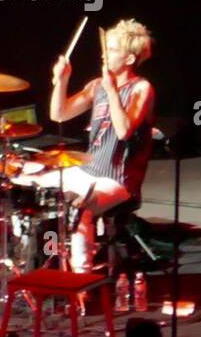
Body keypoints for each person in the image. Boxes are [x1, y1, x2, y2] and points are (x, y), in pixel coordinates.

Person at [42, 18, 156, 273]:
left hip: (119, 179)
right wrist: (62, 80)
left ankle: (81, 281)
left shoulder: (142, 88)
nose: (105, 55)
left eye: (113, 50)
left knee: (84, 210)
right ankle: (41, 265)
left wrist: (113, 93)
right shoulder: (97, 86)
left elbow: (124, 131)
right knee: (35, 183)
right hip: (91, 170)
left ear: (129, 58)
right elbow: (59, 113)